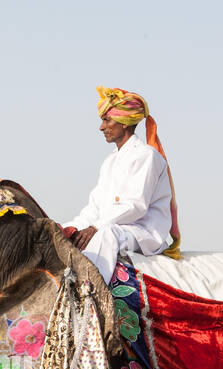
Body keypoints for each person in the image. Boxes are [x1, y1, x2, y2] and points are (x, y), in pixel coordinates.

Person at [62, 86, 180, 282]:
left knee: (107, 234)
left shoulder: (146, 156)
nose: (101, 127)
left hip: (143, 231)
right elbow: (94, 209)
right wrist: (67, 228)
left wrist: (96, 227)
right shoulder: (109, 161)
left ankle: (89, 293)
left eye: (107, 120)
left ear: (124, 123)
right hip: (114, 227)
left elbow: (135, 207)